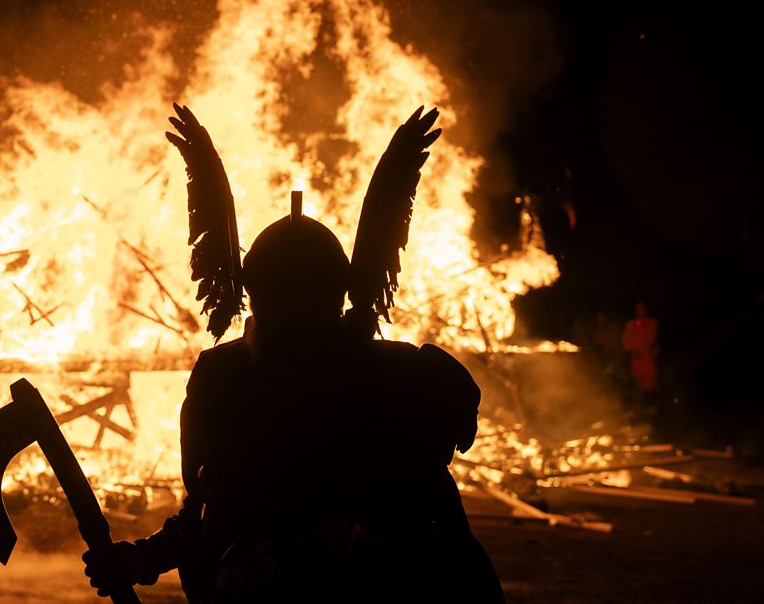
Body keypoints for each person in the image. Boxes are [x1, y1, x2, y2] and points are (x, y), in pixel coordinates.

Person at [83, 108, 503, 602]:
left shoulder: (400, 377)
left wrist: (143, 559)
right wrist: (140, 559)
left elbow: (431, 520)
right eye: (286, 298)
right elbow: (211, 510)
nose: (295, 315)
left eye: (304, 297)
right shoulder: (229, 377)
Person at [621, 301, 659, 417]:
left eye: (642, 308)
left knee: (650, 383)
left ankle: (652, 408)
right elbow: (625, 340)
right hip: (636, 359)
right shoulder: (630, 324)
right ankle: (641, 410)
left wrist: (646, 350)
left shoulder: (652, 323)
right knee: (639, 384)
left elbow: (652, 338)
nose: (640, 311)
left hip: (647, 357)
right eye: (638, 308)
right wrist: (632, 350)